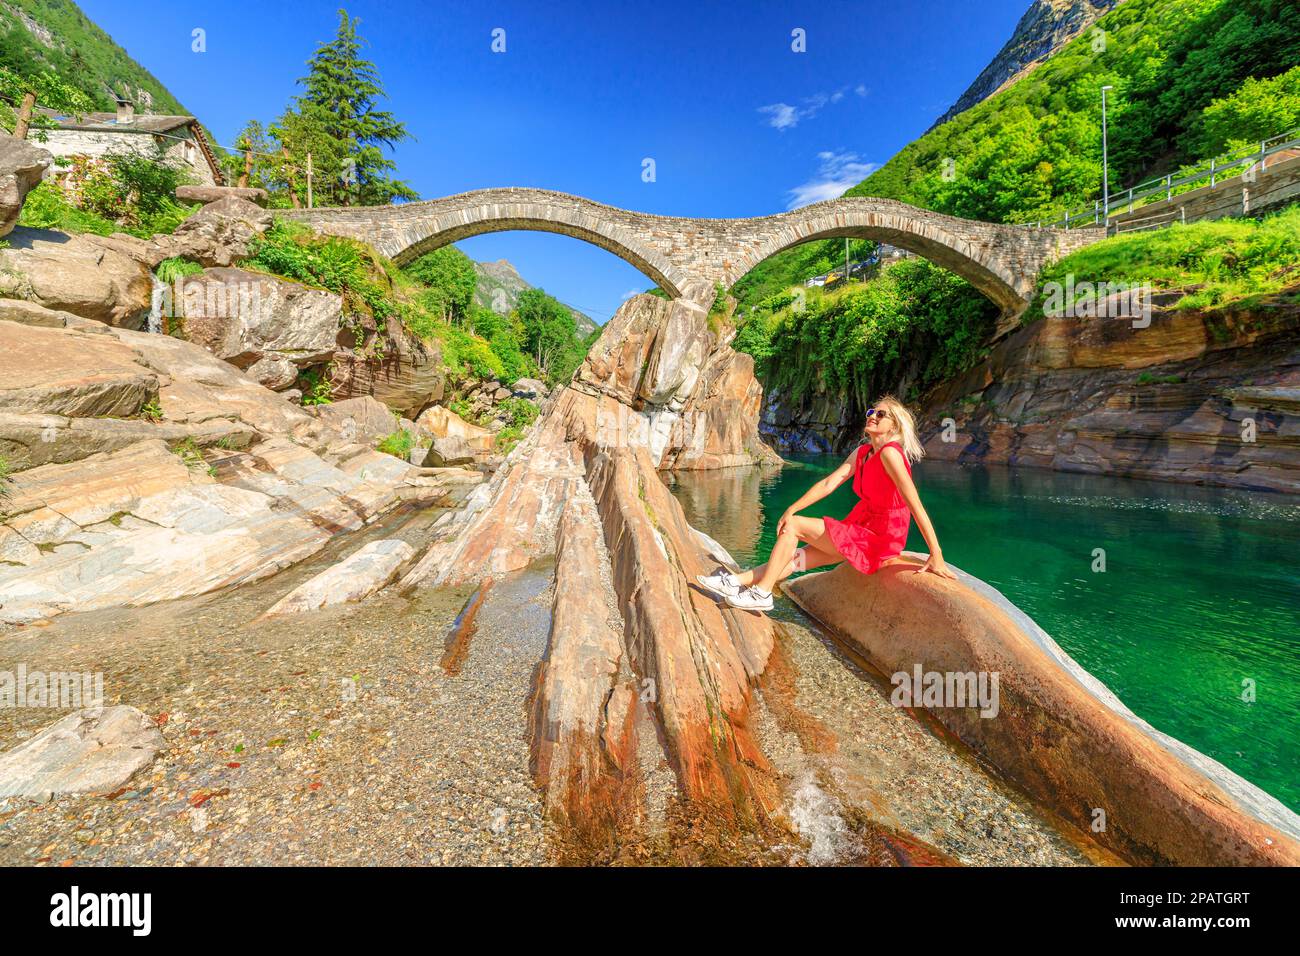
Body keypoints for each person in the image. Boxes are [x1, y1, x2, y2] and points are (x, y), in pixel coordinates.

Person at [696, 395, 956, 612]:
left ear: (894, 427)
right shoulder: (864, 452)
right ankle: (735, 582)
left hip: (880, 537)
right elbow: (829, 484)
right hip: (860, 524)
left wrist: (937, 554)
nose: (873, 416)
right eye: (872, 411)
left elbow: (915, 504)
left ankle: (762, 594)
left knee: (794, 528)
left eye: (881, 414)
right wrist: (792, 507)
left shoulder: (890, 454)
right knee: (796, 558)